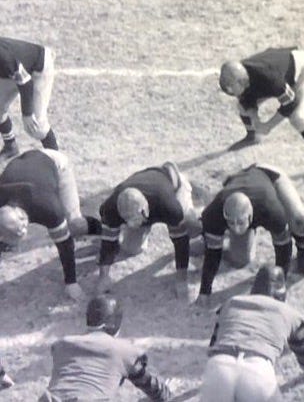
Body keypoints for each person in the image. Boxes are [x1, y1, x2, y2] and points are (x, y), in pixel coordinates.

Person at [197, 164, 304, 307]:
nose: (236, 227)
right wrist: (204, 292)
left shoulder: (270, 210)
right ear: (224, 215)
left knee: (299, 220)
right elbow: (212, 254)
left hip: (269, 176)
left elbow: (283, 247)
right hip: (240, 181)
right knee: (241, 259)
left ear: (250, 215)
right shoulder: (214, 213)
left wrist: (279, 283)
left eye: (240, 222)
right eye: (231, 223)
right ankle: (218, 238)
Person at [200, 265, 304, 401]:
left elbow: (215, 340)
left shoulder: (231, 303)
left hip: (220, 364)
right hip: (257, 368)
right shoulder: (291, 313)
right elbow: (302, 348)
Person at [0, 149, 101, 300]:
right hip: (23, 166)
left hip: (55, 163)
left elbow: (65, 245)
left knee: (75, 225)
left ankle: (104, 229)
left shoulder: (47, 208)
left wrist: (71, 283)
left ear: (24, 220)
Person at [218, 46, 304, 183]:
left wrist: (268, 126)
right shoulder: (243, 74)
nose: (234, 95)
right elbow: (247, 100)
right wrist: (255, 119)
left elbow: (290, 103)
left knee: (299, 117)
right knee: (241, 106)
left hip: (303, 71)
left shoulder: (268, 76)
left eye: (233, 90)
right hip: (280, 73)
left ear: (242, 81)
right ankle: (252, 136)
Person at [96, 162, 202, 300]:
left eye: (135, 219)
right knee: (131, 249)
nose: (131, 224)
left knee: (191, 227)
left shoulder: (169, 207)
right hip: (145, 184)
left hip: (174, 184)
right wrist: (103, 276)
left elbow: (180, 241)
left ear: (144, 210)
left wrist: (181, 279)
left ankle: (201, 217)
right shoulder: (110, 208)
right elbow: (108, 242)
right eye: (127, 220)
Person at [42, 295, 172, 401]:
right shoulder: (125, 350)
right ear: (115, 323)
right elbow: (153, 387)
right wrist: (165, 394)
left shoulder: (61, 345)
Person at [0, 36, 59, 157]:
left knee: (37, 126)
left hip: (39, 69)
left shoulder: (3, 57)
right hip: (12, 72)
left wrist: (27, 113)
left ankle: (57, 163)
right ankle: (10, 146)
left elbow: (25, 82)